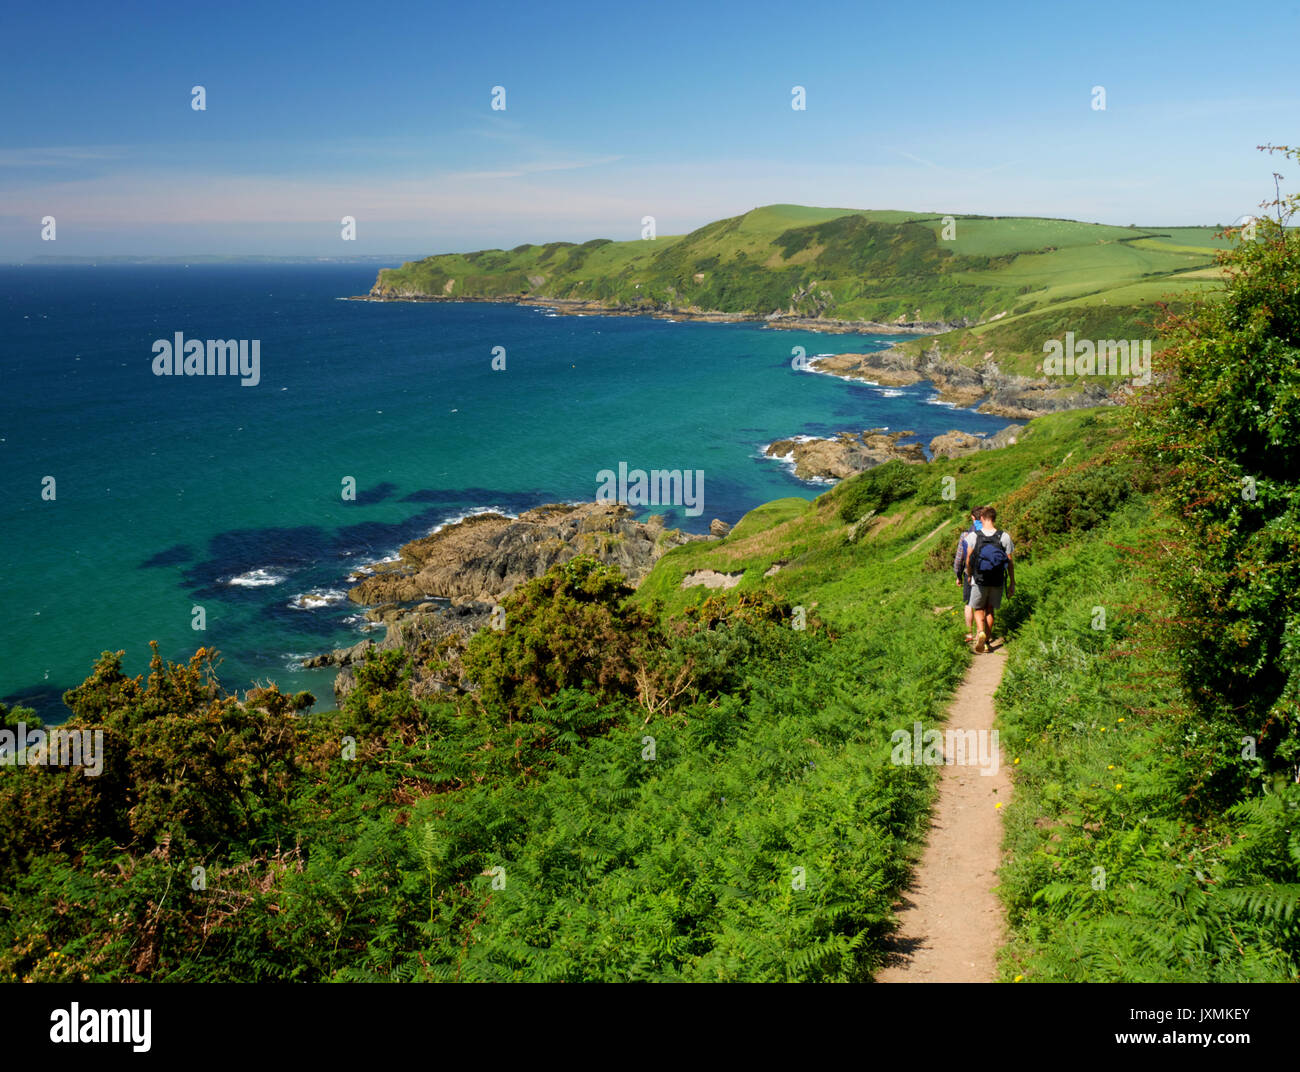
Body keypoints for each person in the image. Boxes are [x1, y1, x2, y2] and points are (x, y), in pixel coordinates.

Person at [965, 506, 1014, 653]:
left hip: (979, 579)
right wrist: (1012, 582)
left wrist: (969, 574)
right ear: (994, 518)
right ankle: (986, 641)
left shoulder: (974, 536)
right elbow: (1010, 562)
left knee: (979, 608)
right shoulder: (1004, 536)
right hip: (997, 579)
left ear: (981, 518)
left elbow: (968, 559)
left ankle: (980, 632)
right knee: (990, 610)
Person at [953, 508, 983, 642]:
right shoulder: (991, 533)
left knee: (969, 603)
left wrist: (958, 575)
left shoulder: (965, 535)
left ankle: (969, 634)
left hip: (970, 573)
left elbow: (959, 558)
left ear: (972, 517)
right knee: (982, 604)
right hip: (987, 573)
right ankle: (981, 633)